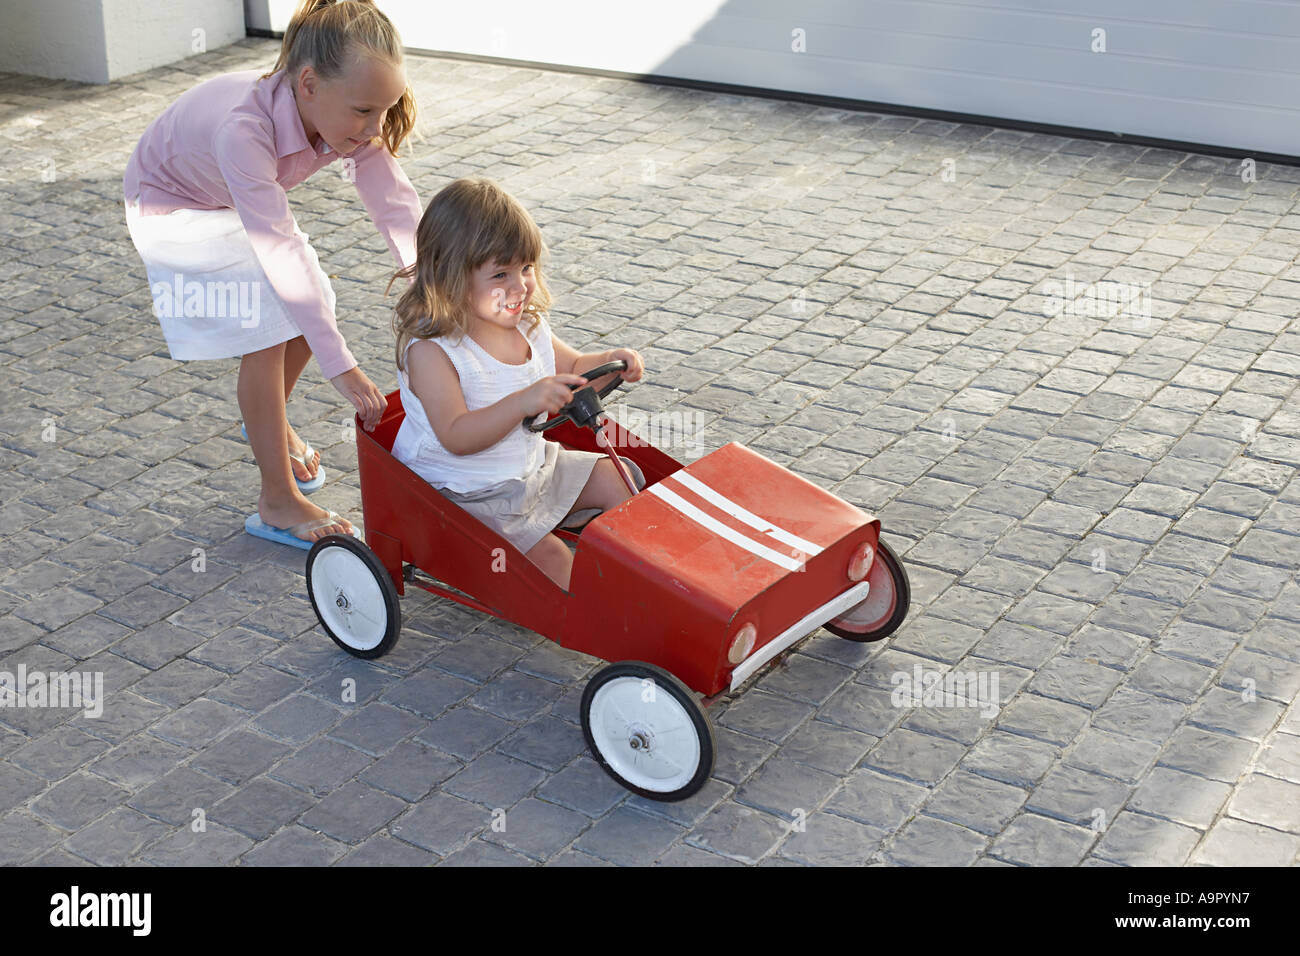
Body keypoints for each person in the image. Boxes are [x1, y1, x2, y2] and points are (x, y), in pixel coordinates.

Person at [122, 0, 420, 548]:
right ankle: (277, 501)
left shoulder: (343, 117)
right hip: (171, 204)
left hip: (225, 197)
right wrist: (344, 369)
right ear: (308, 84)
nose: (376, 127)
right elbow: (280, 251)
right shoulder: (245, 131)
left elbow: (394, 203)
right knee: (267, 333)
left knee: (313, 306)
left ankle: (268, 424)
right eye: (363, 111)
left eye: (386, 109)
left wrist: (429, 279)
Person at [389, 178, 644, 590]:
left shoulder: (528, 324)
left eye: (525, 268)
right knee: (555, 566)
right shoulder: (434, 353)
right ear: (452, 277)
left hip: (533, 470)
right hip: (469, 494)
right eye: (501, 274)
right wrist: (523, 401)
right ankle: (600, 607)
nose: (520, 285)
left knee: (623, 481)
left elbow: (576, 366)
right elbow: (456, 434)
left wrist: (614, 363)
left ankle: (649, 576)